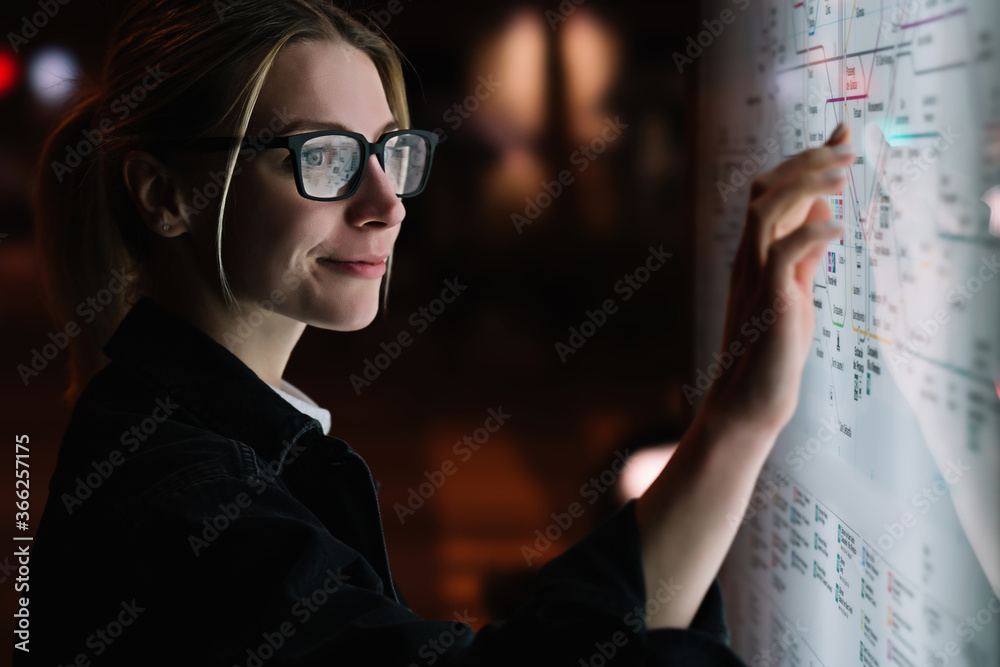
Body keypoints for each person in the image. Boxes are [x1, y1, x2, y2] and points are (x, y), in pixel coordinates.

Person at [21, 1, 855, 664]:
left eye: (390, 154)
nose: (387, 205)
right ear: (165, 196)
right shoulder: (177, 498)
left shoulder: (186, 436)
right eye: (325, 156)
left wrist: (741, 417)